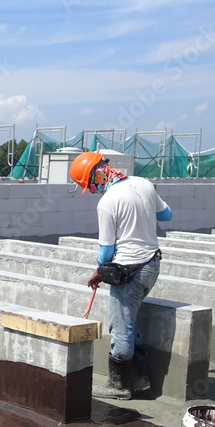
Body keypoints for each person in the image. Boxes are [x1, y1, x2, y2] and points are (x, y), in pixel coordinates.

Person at [69, 151, 173, 400]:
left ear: (95, 175)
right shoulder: (144, 184)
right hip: (152, 265)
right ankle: (139, 378)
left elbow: (106, 251)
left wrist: (98, 272)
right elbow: (166, 215)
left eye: (88, 184)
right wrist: (141, 212)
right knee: (130, 319)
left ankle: (119, 386)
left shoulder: (107, 202)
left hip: (130, 270)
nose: (92, 190)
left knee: (120, 327)